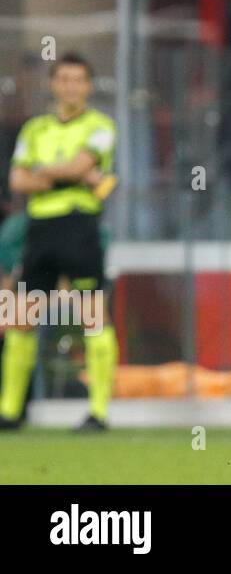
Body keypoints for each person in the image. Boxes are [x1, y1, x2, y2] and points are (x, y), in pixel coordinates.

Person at [1, 54, 118, 432]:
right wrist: (73, 175)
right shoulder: (35, 128)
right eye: (63, 79)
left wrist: (44, 170)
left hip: (79, 229)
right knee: (19, 319)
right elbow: (17, 182)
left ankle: (98, 412)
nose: (70, 86)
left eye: (77, 80)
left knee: (93, 318)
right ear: (53, 85)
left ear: (87, 86)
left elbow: (80, 167)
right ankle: (10, 410)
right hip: (40, 230)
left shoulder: (100, 126)